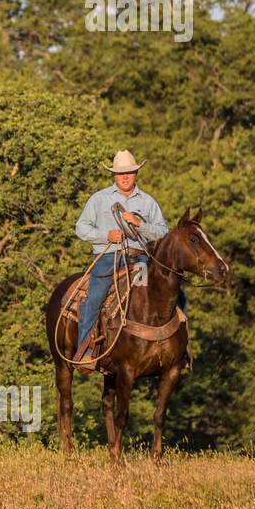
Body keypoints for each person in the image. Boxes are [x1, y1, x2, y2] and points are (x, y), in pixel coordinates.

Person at [73, 150, 186, 364]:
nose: (125, 177)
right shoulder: (99, 199)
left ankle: (181, 348)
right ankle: (84, 349)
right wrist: (105, 235)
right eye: (120, 173)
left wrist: (139, 224)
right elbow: (81, 228)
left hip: (140, 261)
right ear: (114, 175)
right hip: (108, 259)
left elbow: (163, 232)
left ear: (136, 173)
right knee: (95, 297)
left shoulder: (148, 202)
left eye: (130, 173)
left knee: (174, 293)